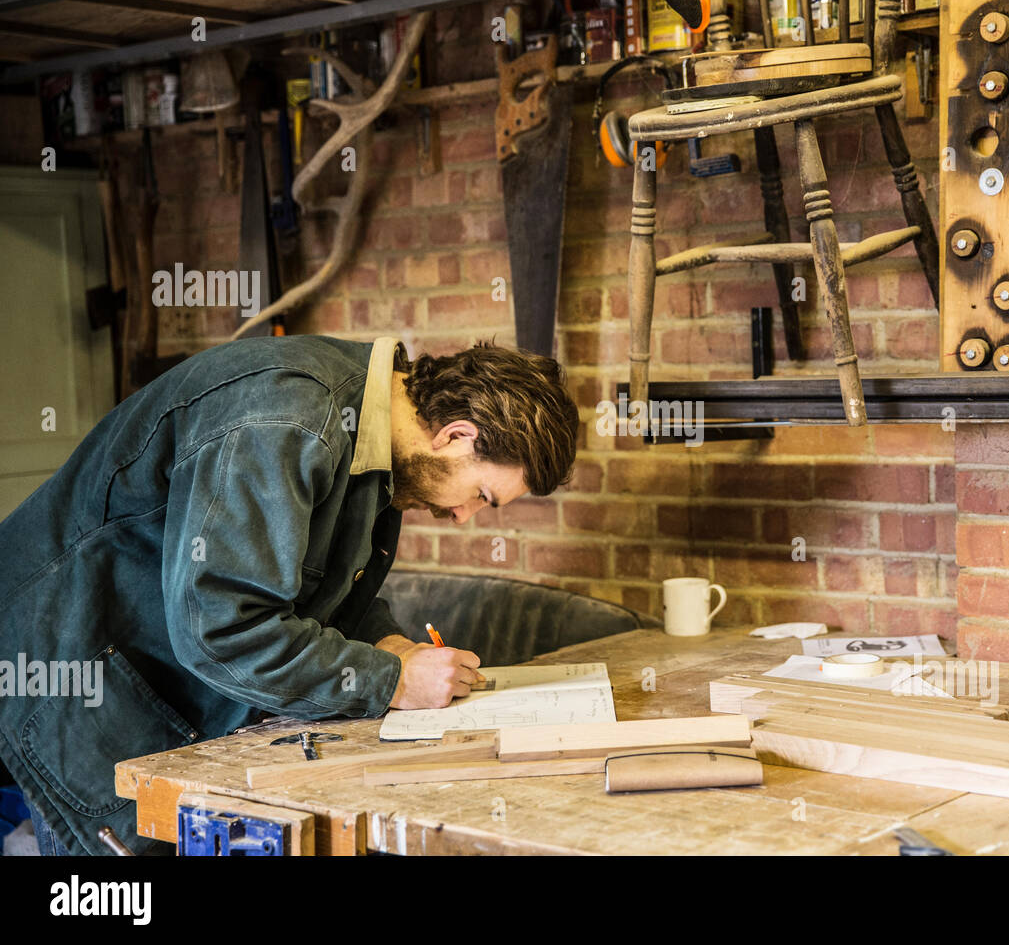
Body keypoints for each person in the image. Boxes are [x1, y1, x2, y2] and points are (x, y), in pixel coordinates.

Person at [0, 335, 579, 854]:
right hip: (67, 661)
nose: (461, 516)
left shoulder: (372, 436)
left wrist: (390, 644)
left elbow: (315, 579)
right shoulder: (287, 421)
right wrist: (391, 680)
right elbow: (222, 628)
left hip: (158, 670)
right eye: (481, 495)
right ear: (456, 435)